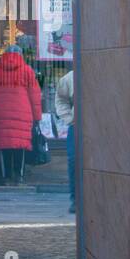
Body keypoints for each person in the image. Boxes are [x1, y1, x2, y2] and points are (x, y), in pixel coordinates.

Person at [0, 44, 42, 185]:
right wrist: (37, 117)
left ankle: (6, 178)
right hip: (22, 113)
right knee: (20, 146)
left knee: (4, 146)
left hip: (1, 113)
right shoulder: (27, 71)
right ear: (20, 55)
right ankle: (19, 177)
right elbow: (35, 96)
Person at [55, 68, 75, 213]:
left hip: (101, 127)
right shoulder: (70, 77)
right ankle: (76, 199)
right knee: (74, 162)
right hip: (77, 127)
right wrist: (70, 119)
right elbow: (61, 99)